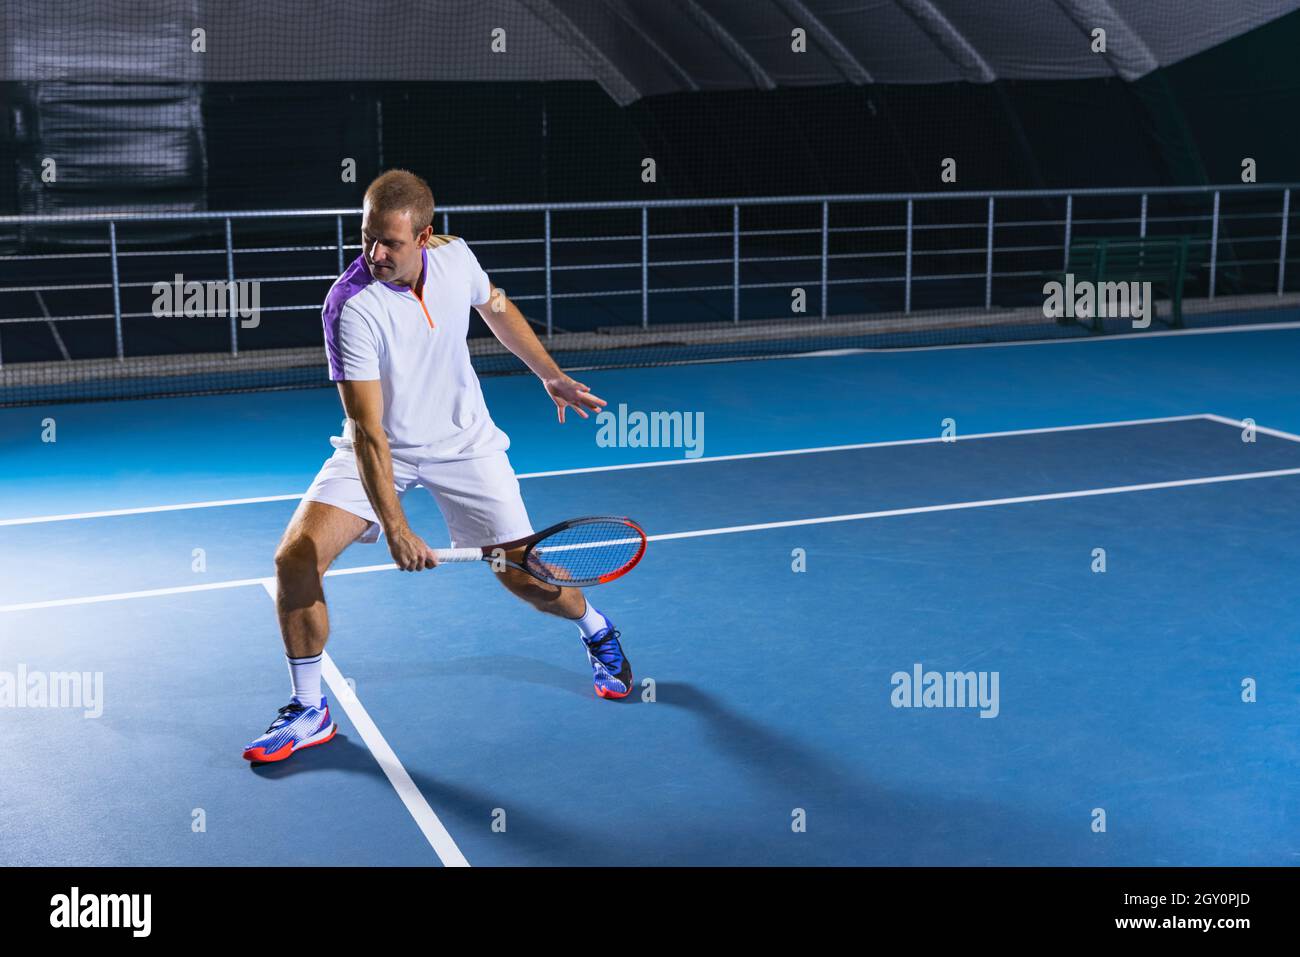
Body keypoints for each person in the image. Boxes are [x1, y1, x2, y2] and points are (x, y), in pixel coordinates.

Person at [242, 169, 632, 763]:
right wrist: (395, 529)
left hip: (464, 445)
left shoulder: (456, 258)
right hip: (381, 450)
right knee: (295, 556)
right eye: (367, 237)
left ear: (425, 236)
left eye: (390, 242)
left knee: (523, 574)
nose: (374, 253)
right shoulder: (351, 306)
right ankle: (308, 708)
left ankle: (597, 628)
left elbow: (495, 306)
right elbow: (369, 433)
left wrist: (549, 373)